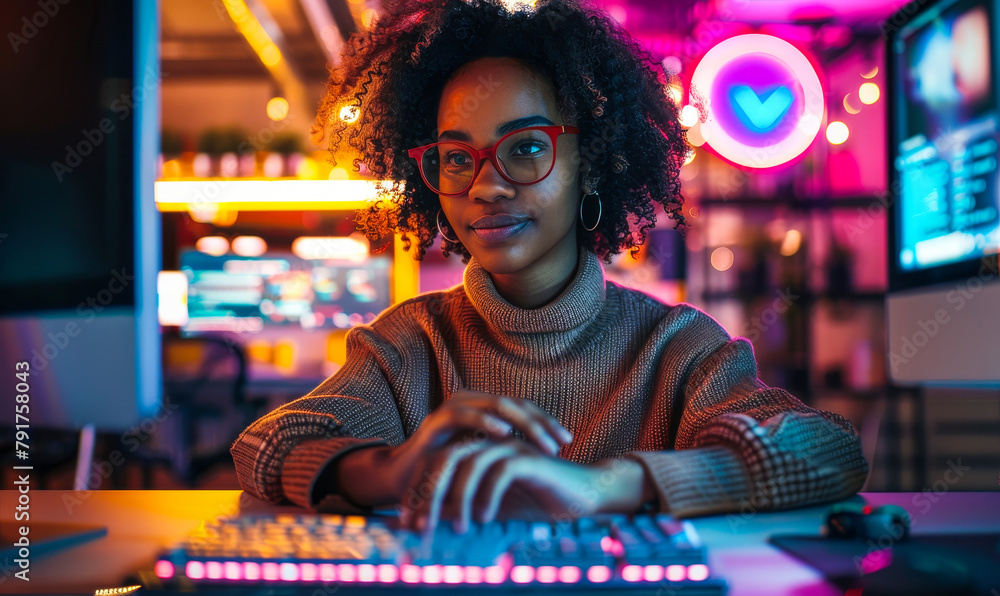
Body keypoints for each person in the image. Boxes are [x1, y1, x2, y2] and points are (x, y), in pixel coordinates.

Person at [230, 0, 868, 534]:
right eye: (456, 157)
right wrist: (390, 471)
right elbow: (262, 445)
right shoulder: (411, 344)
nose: (486, 186)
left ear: (589, 163)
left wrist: (610, 484)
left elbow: (831, 451)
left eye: (527, 148)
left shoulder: (674, 348)